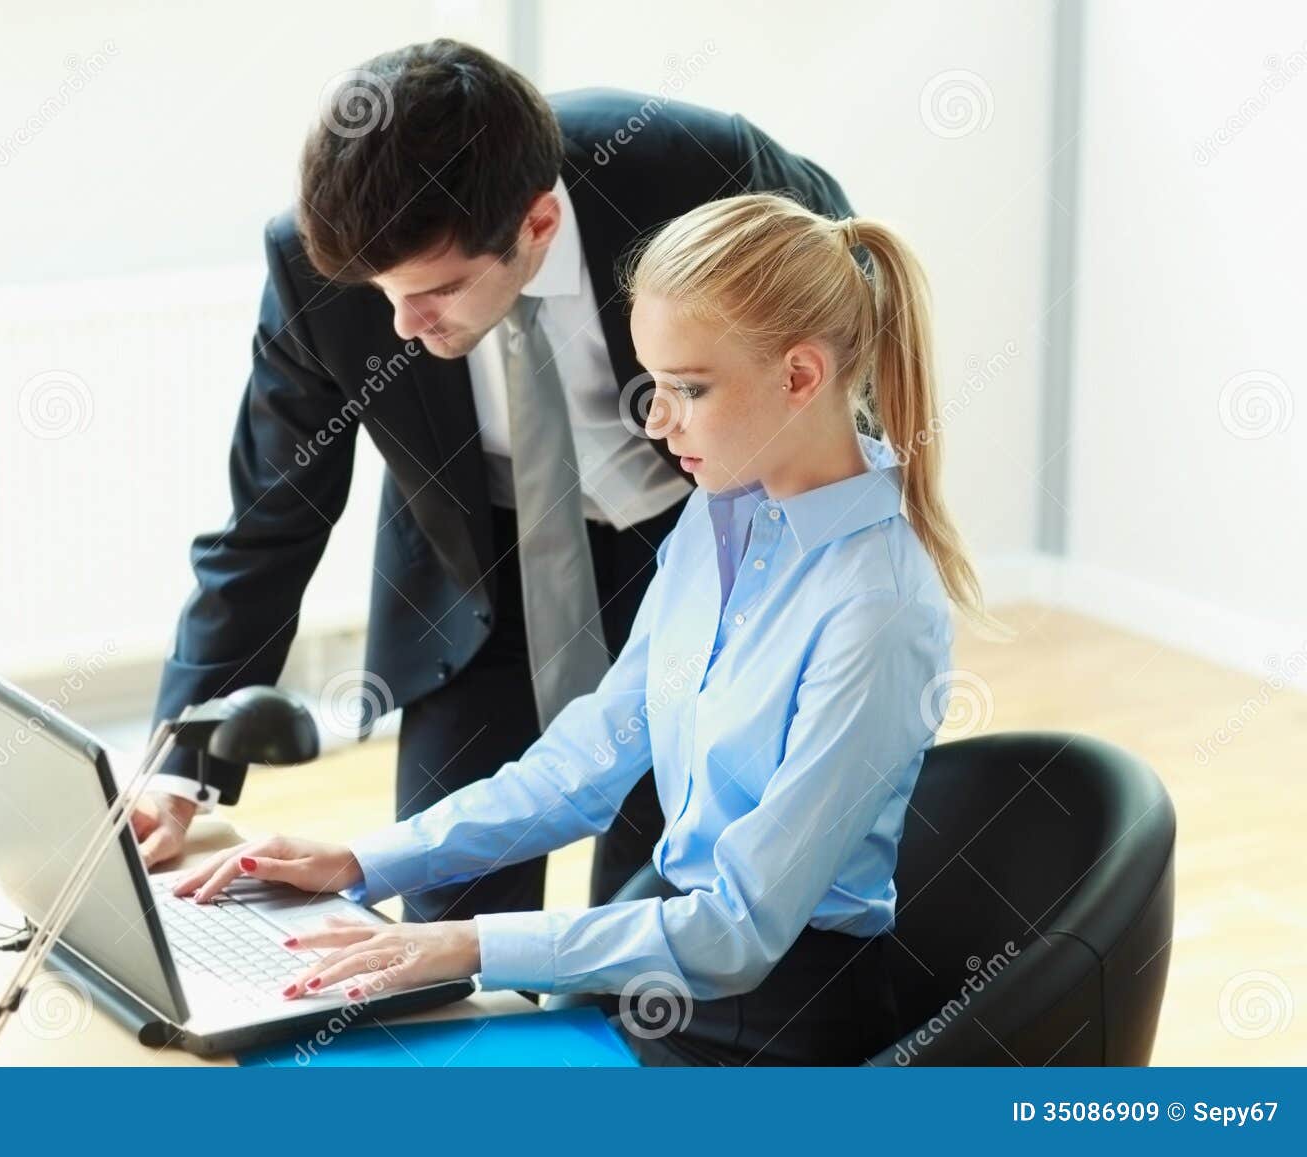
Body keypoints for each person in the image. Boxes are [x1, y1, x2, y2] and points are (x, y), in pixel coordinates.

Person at [173, 192, 992, 1066]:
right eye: (654, 381)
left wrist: (471, 945)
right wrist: (362, 860)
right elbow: (584, 764)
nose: (654, 418)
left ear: (799, 376)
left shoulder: (878, 608)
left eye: (688, 387)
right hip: (665, 977)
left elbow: (739, 931)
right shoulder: (722, 519)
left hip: (777, 1025)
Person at [133, 38, 856, 924]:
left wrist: (830, 569)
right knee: (439, 917)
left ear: (538, 224)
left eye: (436, 290)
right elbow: (269, 516)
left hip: (691, 548)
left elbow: (847, 314)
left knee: (657, 902)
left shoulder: (690, 169)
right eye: (381, 291)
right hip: (476, 579)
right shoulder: (322, 267)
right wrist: (181, 765)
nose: (401, 324)